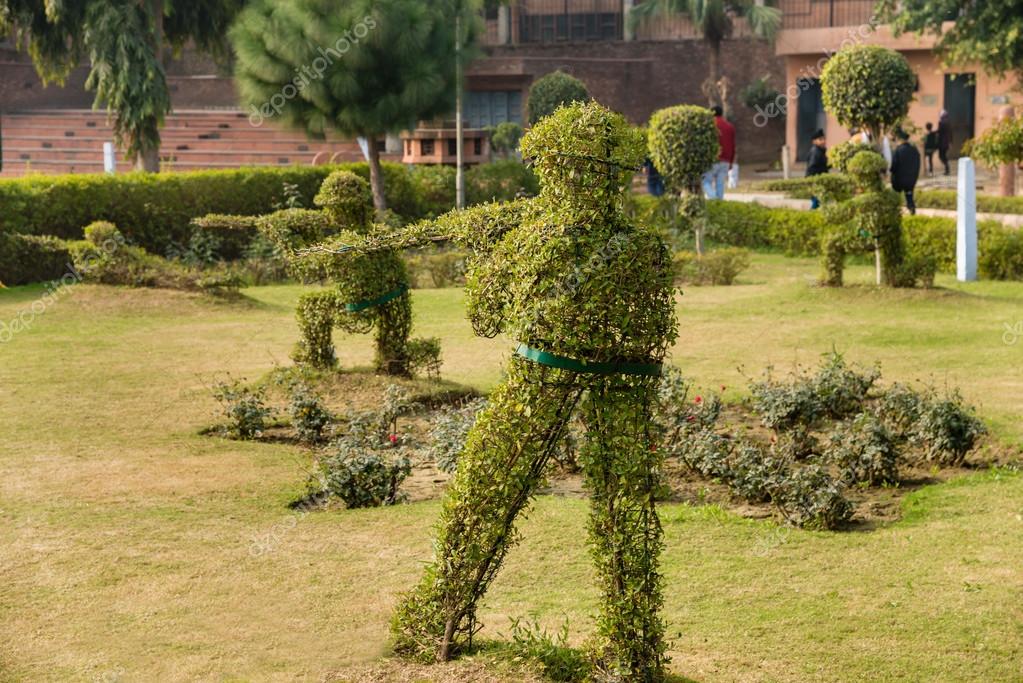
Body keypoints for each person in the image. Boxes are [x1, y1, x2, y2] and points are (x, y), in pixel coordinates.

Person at [702, 105, 735, 200]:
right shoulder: (730, 127)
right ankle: (719, 202)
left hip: (713, 159)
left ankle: (713, 198)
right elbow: (733, 146)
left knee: (705, 181)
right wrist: (731, 162)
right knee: (720, 184)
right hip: (726, 159)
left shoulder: (709, 126)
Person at [890, 128, 921, 215]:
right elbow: (918, 163)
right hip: (912, 179)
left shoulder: (898, 151)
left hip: (899, 180)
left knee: (896, 195)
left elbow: (893, 166)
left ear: (899, 139)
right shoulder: (914, 150)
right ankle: (911, 208)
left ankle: (895, 210)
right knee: (909, 194)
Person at [805, 128, 829, 210]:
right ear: (814, 141)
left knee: (820, 201)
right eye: (820, 139)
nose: (823, 141)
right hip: (815, 181)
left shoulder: (821, 151)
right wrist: (816, 180)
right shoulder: (816, 152)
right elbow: (812, 167)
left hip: (819, 181)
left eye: (824, 139)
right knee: (816, 202)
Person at [937, 110, 952, 175]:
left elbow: (939, 132)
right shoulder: (949, 123)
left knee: (941, 156)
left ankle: (947, 168)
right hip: (947, 142)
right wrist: (951, 142)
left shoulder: (941, 122)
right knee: (944, 155)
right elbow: (951, 133)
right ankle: (947, 168)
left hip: (942, 142)